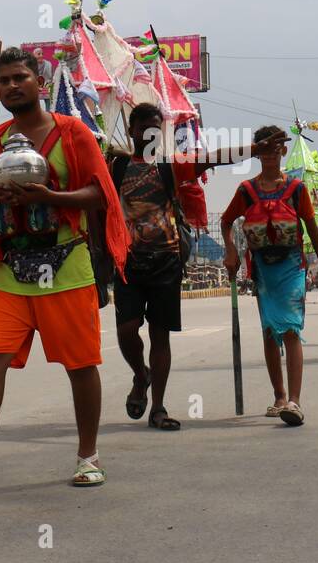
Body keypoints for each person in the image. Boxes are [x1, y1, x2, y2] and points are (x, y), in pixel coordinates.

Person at [0, 47, 128, 499]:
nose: (12, 86)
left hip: (66, 265)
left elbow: (99, 194)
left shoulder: (74, 132)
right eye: (3, 81)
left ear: (40, 81)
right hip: (9, 268)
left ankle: (88, 457)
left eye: (19, 77)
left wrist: (47, 199)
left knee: (80, 365)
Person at [110, 103, 284, 430]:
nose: (149, 135)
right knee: (126, 331)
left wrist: (254, 149)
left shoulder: (171, 167)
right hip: (127, 264)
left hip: (166, 261)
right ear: (132, 130)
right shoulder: (116, 168)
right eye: (144, 128)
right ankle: (140, 374)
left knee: (160, 337)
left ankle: (158, 408)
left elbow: (215, 156)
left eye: (155, 130)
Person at [221, 125, 318, 426]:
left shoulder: (296, 189)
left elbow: (313, 230)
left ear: (283, 151)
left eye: (275, 149)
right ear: (257, 152)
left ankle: (295, 401)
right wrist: (230, 250)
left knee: (292, 329)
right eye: (264, 149)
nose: (270, 155)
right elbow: (226, 221)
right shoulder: (246, 191)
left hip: (292, 266)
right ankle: (279, 396)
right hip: (262, 268)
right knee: (270, 330)